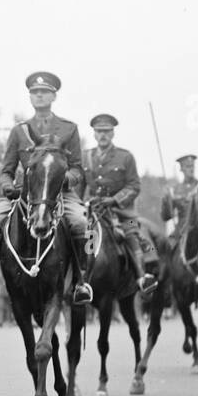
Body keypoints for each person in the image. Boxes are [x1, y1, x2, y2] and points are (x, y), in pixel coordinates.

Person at [0, 71, 91, 308]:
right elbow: (6, 169)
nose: (39, 96)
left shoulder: (69, 129)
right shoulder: (19, 131)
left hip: (59, 194)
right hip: (25, 194)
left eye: (44, 92)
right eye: (35, 92)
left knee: (80, 222)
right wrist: (7, 187)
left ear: (53, 96)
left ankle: (80, 282)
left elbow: (78, 170)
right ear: (30, 97)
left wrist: (62, 180)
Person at [80, 114, 158, 296]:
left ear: (113, 133)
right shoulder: (86, 157)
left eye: (106, 131)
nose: (103, 135)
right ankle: (79, 282)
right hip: (93, 211)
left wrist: (115, 199)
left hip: (122, 213)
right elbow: (79, 189)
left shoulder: (125, 157)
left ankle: (141, 277)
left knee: (132, 233)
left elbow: (134, 186)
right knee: (79, 236)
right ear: (94, 134)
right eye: (99, 131)